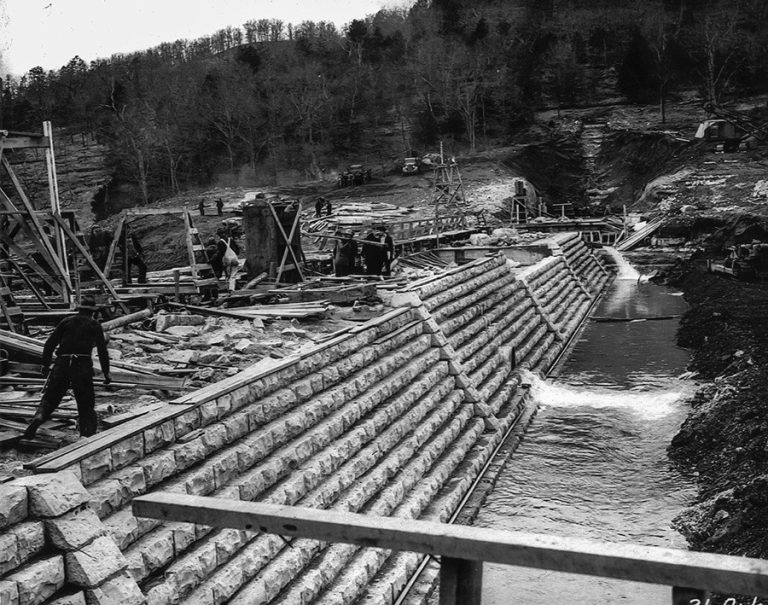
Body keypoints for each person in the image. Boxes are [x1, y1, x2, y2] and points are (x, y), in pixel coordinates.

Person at [23, 295, 111, 439]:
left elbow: (49, 344)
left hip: (62, 363)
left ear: (79, 309)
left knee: (51, 397)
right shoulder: (94, 325)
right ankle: (87, 436)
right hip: (82, 365)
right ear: (93, 311)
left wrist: (45, 365)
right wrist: (106, 373)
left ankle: (39, 416)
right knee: (86, 402)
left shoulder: (66, 321)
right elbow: (102, 351)